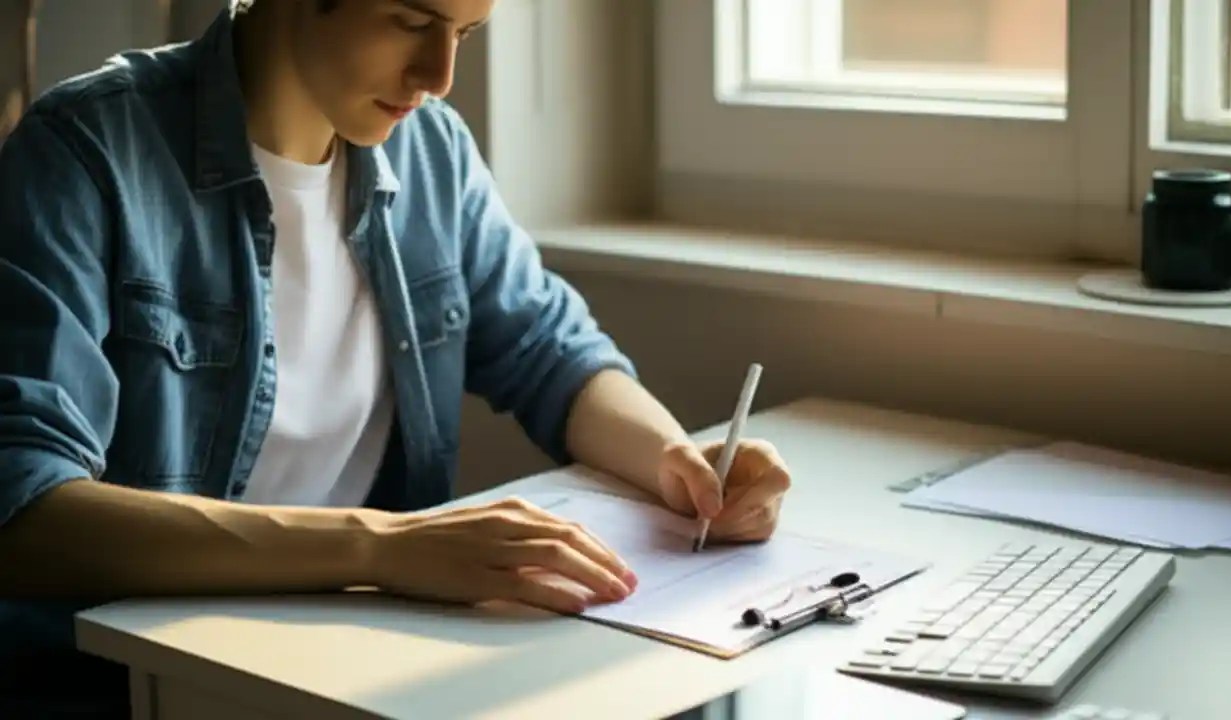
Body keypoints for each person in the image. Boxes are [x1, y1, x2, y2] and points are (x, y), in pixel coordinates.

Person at [0, 0, 792, 715]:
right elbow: (23, 512)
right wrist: (382, 547)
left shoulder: (432, 153)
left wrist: (681, 467)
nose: (440, 77)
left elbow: (553, 353)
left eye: (466, 34)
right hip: (132, 684)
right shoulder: (86, 151)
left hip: (358, 670)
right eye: (413, 22)